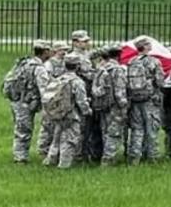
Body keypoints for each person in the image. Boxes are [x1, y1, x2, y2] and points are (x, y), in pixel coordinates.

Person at [42, 53, 92, 169]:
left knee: (57, 137)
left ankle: (50, 160)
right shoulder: (77, 82)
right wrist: (87, 111)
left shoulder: (59, 79)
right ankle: (64, 165)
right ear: (78, 66)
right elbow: (81, 101)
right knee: (69, 140)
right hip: (71, 115)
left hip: (59, 113)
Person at [5, 40, 51, 163]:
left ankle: (20, 155)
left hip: (16, 100)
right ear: (45, 51)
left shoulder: (24, 62)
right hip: (25, 102)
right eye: (49, 50)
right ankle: (20, 158)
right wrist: (48, 107)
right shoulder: (39, 68)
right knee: (24, 130)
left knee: (20, 128)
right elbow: (44, 90)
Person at [126, 37, 165, 164]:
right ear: (146, 47)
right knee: (151, 129)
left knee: (137, 129)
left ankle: (135, 157)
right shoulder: (154, 61)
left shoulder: (131, 62)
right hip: (150, 100)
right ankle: (152, 157)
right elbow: (160, 81)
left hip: (135, 100)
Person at [92, 44, 129, 165]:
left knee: (105, 131)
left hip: (103, 105)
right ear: (119, 55)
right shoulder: (117, 70)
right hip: (115, 106)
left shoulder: (101, 68)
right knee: (114, 133)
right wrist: (124, 106)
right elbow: (119, 91)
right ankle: (108, 160)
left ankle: (103, 155)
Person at [69, 29, 101, 162]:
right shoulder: (75, 57)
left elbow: (94, 53)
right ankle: (80, 155)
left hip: (89, 93)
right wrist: (102, 72)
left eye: (88, 41)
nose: (87, 43)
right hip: (83, 93)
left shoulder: (86, 54)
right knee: (83, 126)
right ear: (75, 42)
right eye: (84, 41)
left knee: (91, 125)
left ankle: (89, 152)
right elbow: (89, 75)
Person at [36, 41, 68, 160]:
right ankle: (43, 150)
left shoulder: (65, 64)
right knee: (47, 126)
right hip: (50, 99)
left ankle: (55, 150)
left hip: (60, 99)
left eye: (66, 50)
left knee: (57, 127)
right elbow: (44, 84)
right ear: (55, 51)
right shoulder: (48, 65)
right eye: (61, 50)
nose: (64, 52)